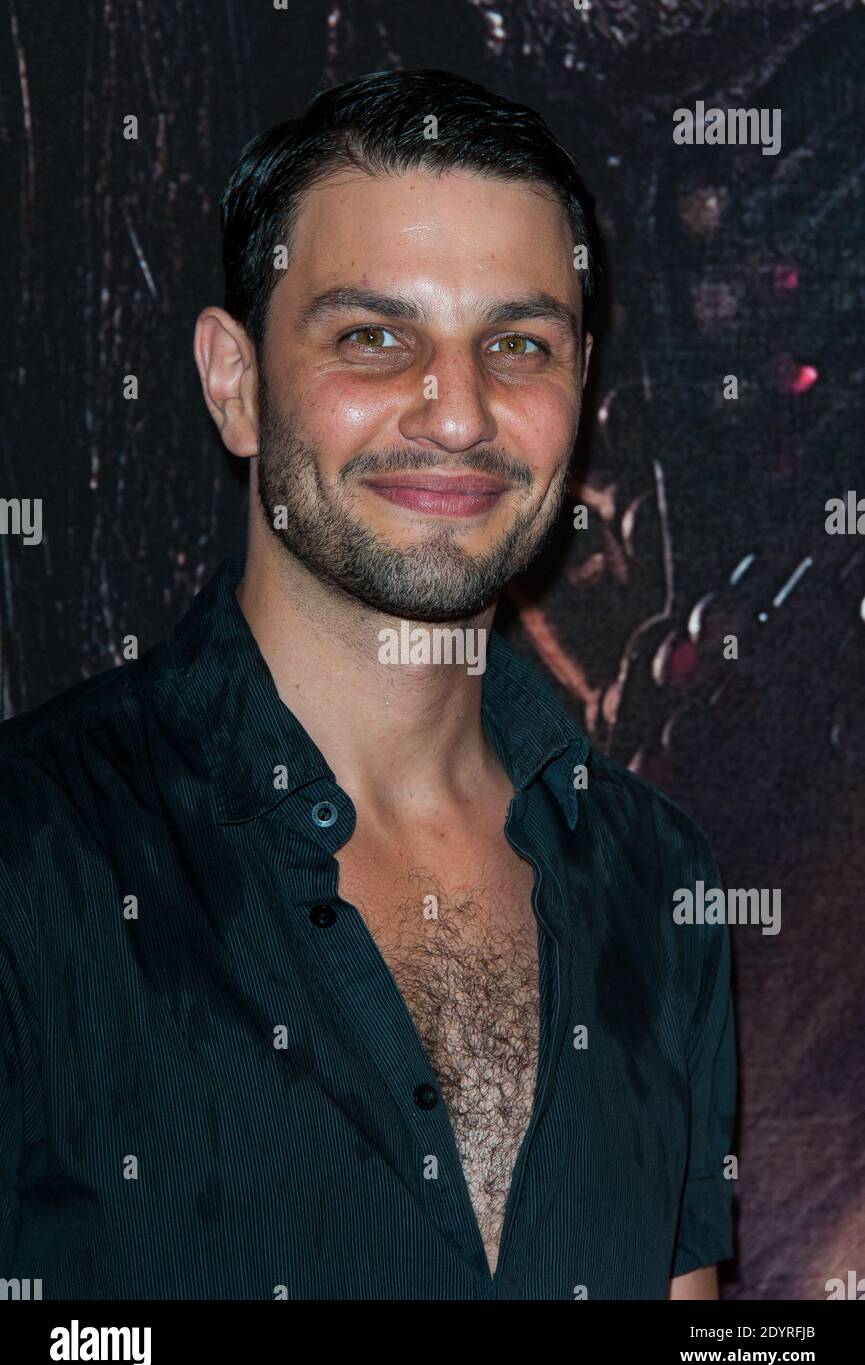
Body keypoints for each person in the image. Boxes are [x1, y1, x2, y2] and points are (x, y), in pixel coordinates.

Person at [0, 69, 735, 1300]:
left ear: (580, 389)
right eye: (373, 337)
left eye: (517, 343)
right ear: (235, 381)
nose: (456, 414)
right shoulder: (33, 860)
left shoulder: (662, 885)